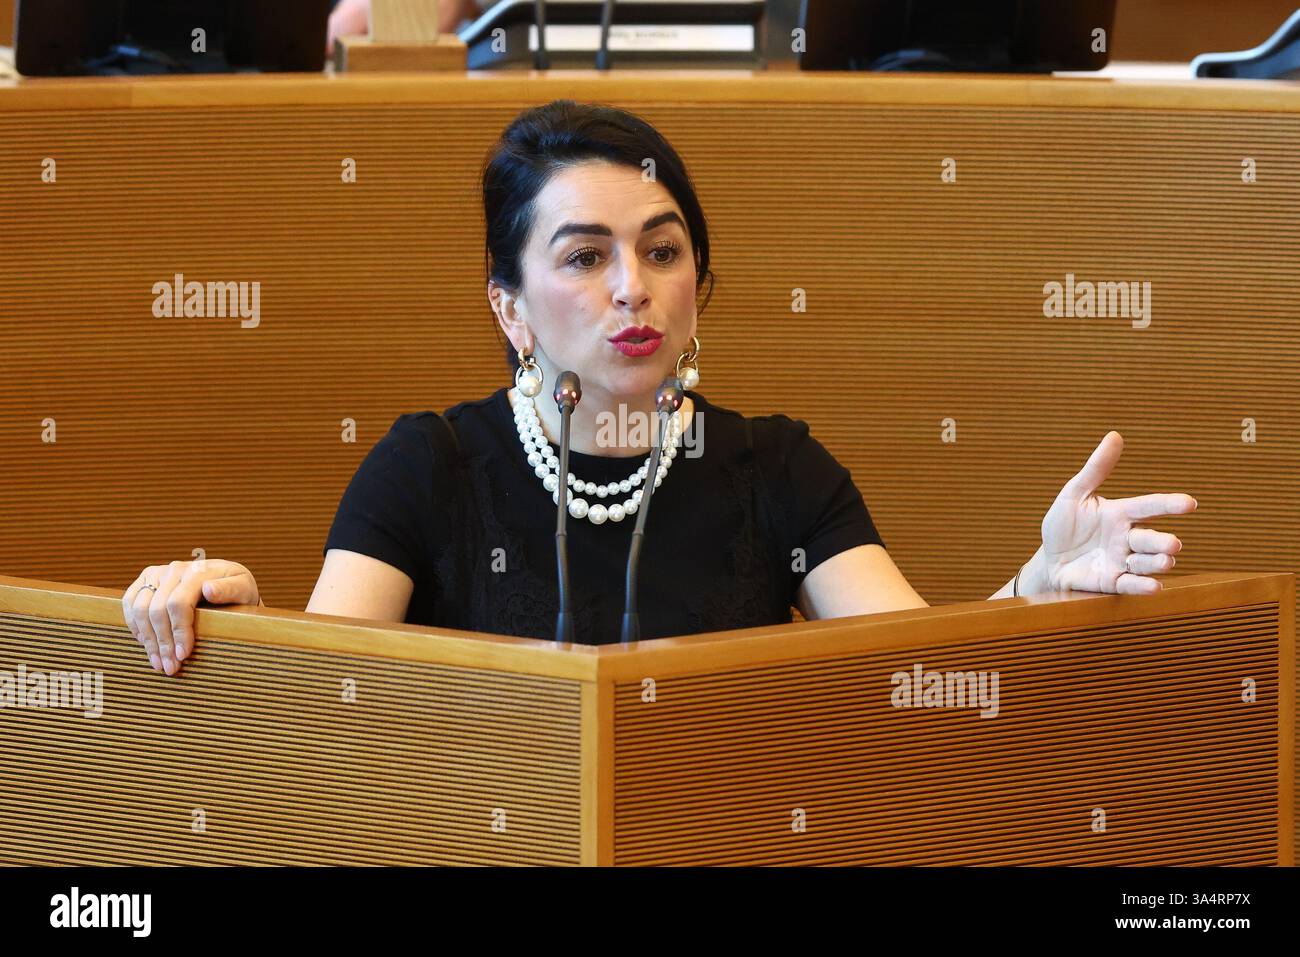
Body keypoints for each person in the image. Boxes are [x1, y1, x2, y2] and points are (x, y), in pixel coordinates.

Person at [121, 99, 1197, 674]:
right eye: (584, 257)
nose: (631, 289)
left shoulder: (777, 466)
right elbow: (336, 693)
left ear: (699, 285)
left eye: (662, 250)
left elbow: (903, 675)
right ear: (508, 305)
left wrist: (1038, 585)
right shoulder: (426, 465)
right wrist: (242, 628)